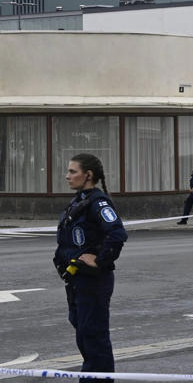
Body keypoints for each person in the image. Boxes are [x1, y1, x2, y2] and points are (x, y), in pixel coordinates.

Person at [54, 153, 127, 382]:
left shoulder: (98, 201)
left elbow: (117, 234)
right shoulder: (80, 200)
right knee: (84, 336)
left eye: (72, 171)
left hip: (93, 281)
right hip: (78, 281)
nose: (67, 176)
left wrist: (100, 260)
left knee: (94, 338)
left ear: (88, 175)